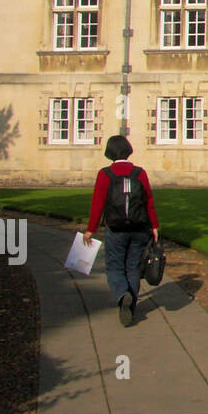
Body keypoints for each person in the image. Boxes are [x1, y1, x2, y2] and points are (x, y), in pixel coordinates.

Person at [83, 135, 159, 327]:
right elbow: (148, 200)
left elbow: (98, 204)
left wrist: (91, 230)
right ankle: (130, 306)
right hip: (139, 227)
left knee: (115, 266)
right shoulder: (140, 173)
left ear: (110, 152)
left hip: (116, 228)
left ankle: (122, 294)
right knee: (133, 267)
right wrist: (155, 225)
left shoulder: (105, 174)